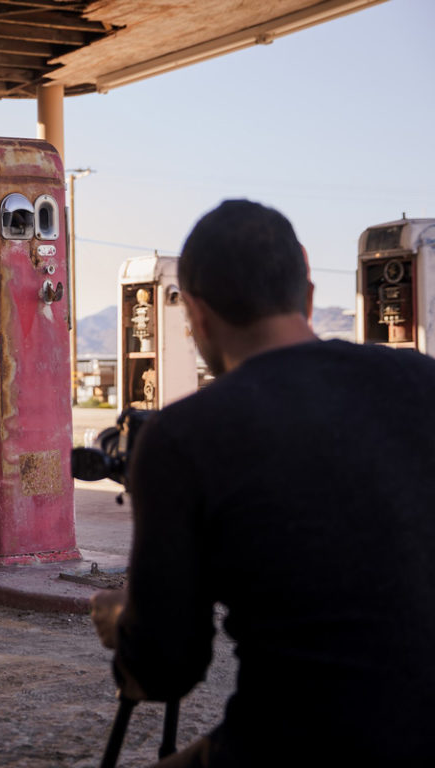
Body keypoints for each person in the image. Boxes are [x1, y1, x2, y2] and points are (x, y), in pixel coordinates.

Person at [90, 200, 435, 767]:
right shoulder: (423, 382)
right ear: (307, 295)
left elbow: (164, 669)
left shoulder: (183, 437)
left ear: (195, 314)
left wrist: (126, 623)